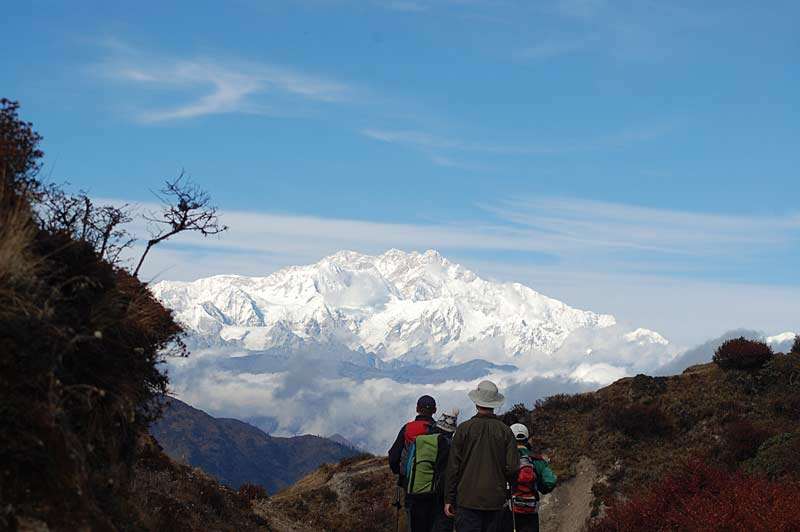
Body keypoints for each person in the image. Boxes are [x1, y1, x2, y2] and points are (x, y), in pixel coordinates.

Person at [444, 381, 519, 532]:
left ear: (476, 403)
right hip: (495, 500)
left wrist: (449, 499)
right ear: (494, 403)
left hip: (466, 500)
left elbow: (453, 468)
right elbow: (512, 468)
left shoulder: (463, 429)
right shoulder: (505, 432)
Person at [388, 395, 438, 532]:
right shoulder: (439, 431)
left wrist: (400, 473)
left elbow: (393, 457)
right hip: (434, 488)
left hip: (410, 485)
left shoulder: (407, 428)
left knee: (413, 524)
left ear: (417, 409)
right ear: (435, 410)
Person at [497, 423, 557, 532]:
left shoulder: (504, 458)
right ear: (526, 438)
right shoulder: (536, 460)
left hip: (508, 512)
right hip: (531, 511)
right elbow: (550, 481)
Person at [431, 408, 459, 532]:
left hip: (422, 488)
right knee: (443, 522)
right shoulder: (450, 445)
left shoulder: (426, 437)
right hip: (442, 490)